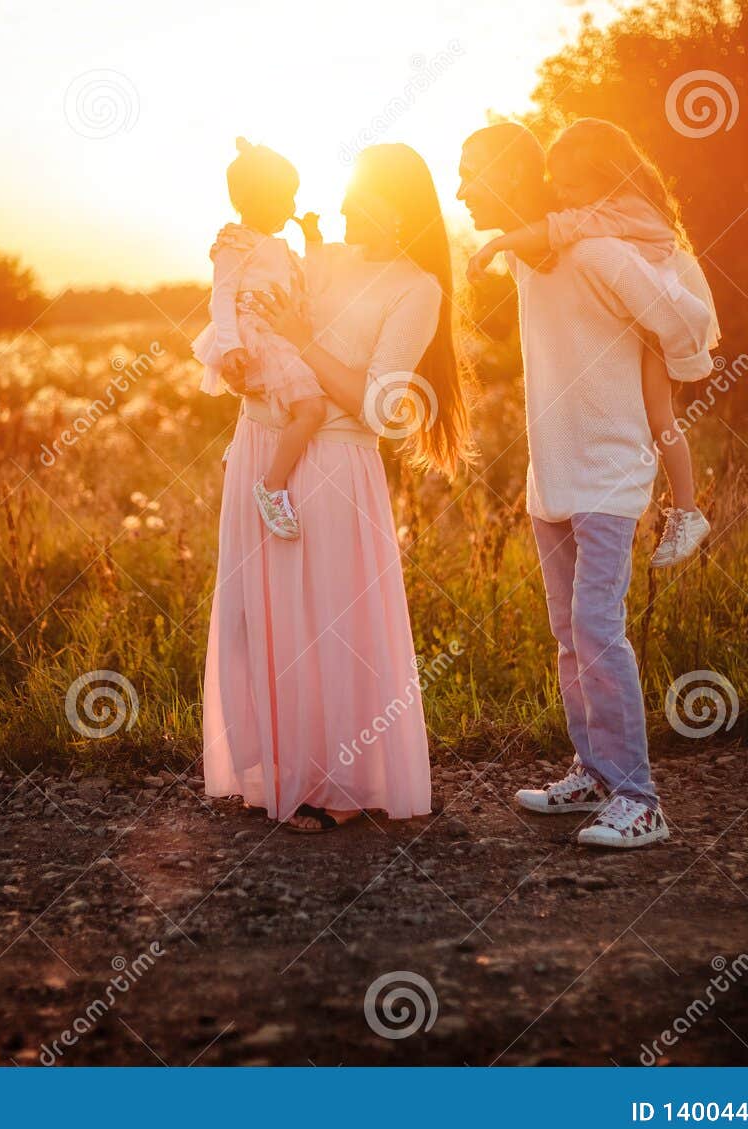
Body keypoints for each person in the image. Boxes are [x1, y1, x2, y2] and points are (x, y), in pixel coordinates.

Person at [458, 120, 717, 849]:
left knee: (599, 632)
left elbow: (683, 322)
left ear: (512, 175)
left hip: (608, 469)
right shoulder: (532, 258)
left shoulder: (601, 251)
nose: (458, 188)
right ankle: (595, 772)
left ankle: (641, 799)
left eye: (470, 171)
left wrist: (659, 393)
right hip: (554, 474)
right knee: (568, 637)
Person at [202, 143, 472, 833]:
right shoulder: (326, 256)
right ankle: (283, 772)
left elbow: (379, 404)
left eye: (360, 201)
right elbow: (251, 301)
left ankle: (337, 783)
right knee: (265, 616)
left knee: (326, 623)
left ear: (399, 209)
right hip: (263, 441)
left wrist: (300, 340)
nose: (342, 209)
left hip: (335, 463)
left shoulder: (418, 289)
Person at [466, 118, 718, 566]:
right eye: (557, 184)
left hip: (659, 317)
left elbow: (558, 229)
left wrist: (496, 243)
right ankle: (683, 508)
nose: (562, 195)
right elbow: (557, 227)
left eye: (571, 185)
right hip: (649, 320)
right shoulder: (602, 216)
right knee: (659, 416)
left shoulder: (608, 222)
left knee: (660, 414)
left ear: (604, 180)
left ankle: (687, 510)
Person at [192, 138, 327, 540]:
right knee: (311, 409)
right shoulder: (234, 242)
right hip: (253, 334)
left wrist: (313, 241)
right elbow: (222, 296)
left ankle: (242, 454)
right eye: (285, 197)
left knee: (286, 403)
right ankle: (271, 486)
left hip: (279, 334)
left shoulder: (281, 247)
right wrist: (231, 344)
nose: (291, 206)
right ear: (257, 198)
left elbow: (311, 285)